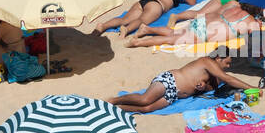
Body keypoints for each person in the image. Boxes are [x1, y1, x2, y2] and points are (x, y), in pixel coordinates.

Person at [110, 52, 256, 111]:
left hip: (175, 95)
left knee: (147, 109)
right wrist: (251, 87)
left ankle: (119, 108)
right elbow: (228, 79)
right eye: (227, 63)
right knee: (144, 99)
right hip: (170, 81)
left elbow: (210, 89)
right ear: (218, 58)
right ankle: (114, 100)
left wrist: (203, 87)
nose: (228, 67)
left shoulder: (214, 75)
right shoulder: (207, 61)